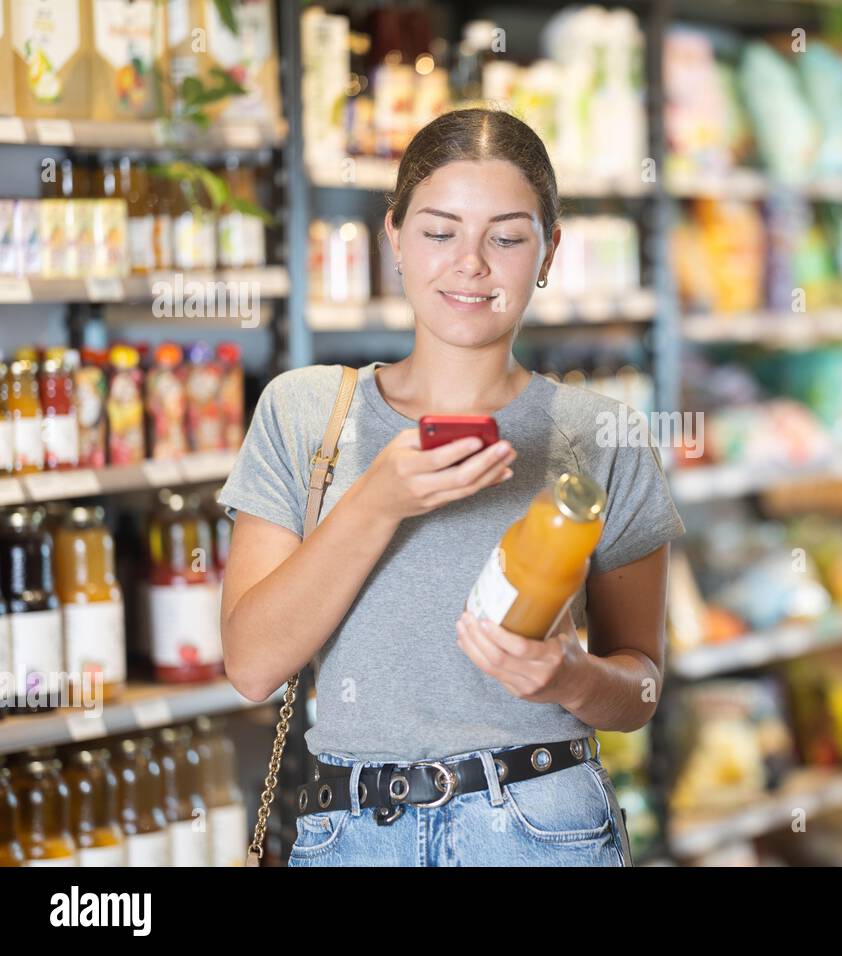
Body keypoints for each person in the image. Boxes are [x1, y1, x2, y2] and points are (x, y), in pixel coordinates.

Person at [216, 107, 685, 866]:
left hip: (542, 827)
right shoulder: (306, 413)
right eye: (439, 232)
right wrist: (378, 500)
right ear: (393, 236)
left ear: (548, 251)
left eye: (505, 236)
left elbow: (640, 690)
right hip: (349, 834)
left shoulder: (604, 433)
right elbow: (251, 664)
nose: (471, 263)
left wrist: (571, 676)